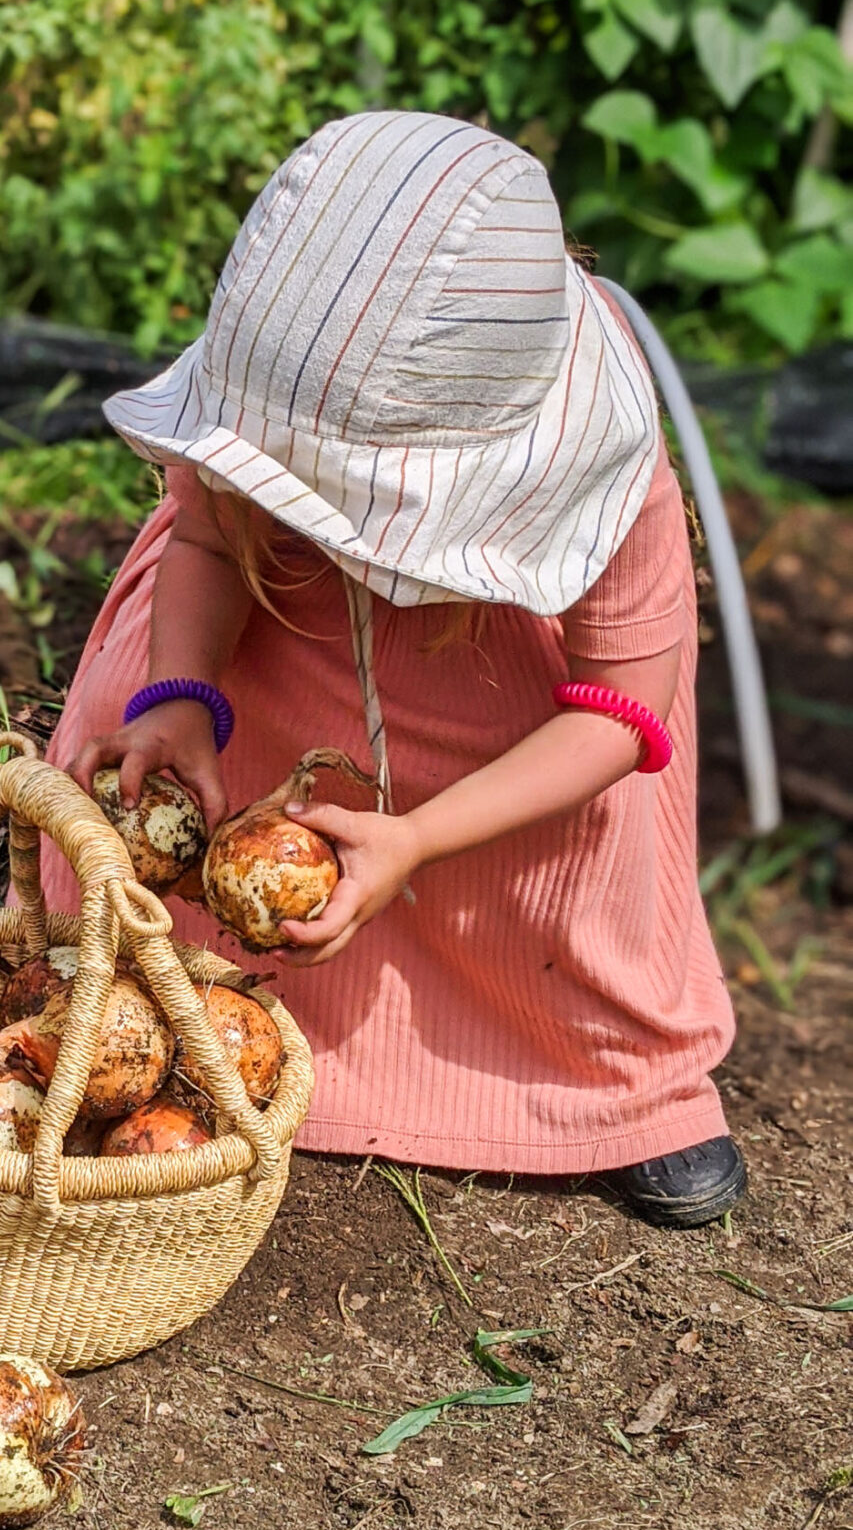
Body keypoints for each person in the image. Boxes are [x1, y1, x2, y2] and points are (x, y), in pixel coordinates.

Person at [43, 110, 743, 1228]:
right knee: (142, 876)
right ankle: (184, 1022)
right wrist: (181, 694)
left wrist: (419, 835)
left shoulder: (603, 460)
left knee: (569, 892)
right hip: (264, 667)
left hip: (508, 751)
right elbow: (212, 539)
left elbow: (620, 714)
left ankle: (606, 1091)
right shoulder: (257, 437)